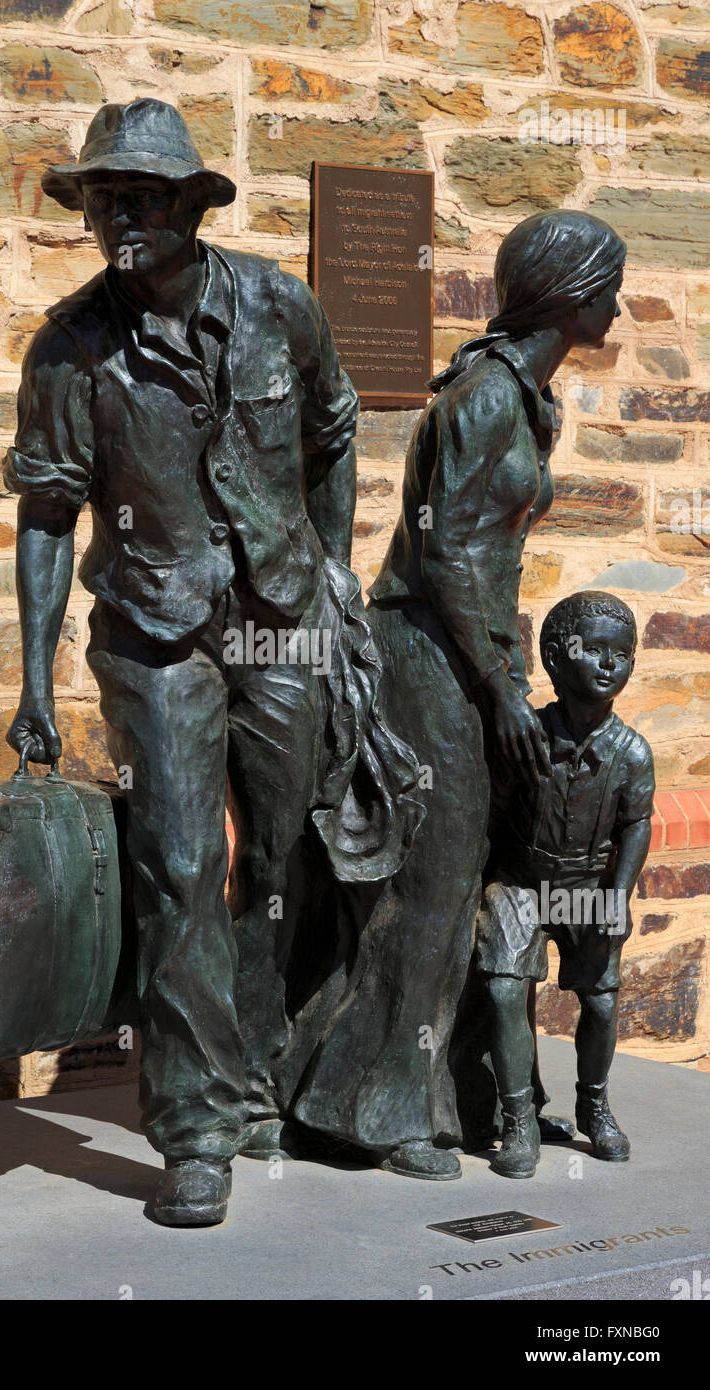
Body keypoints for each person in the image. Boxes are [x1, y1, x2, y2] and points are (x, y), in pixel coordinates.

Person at [2, 99, 419, 1227]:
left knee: (281, 860)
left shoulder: (280, 305)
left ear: (193, 204)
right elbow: (46, 515)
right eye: (101, 200)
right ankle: (193, 1130)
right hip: (154, 635)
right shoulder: (69, 348)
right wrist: (35, 679)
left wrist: (329, 576)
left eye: (139, 196)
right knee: (180, 861)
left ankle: (256, 1076)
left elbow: (333, 430)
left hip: (279, 619)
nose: (117, 218)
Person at [288, 210, 628, 1177]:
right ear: (570, 294)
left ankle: (438, 1089)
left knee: (459, 871)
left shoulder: (524, 396)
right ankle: (380, 1110)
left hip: (465, 649)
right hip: (431, 652)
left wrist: (505, 678)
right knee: (433, 883)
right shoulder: (485, 397)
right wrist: (504, 690)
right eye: (608, 283)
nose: (617, 302)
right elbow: (449, 557)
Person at [476, 592, 654, 1178]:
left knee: (601, 999)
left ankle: (594, 1104)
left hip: (587, 887)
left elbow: (636, 825)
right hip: (521, 883)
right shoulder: (526, 737)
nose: (610, 664)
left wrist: (618, 894)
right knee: (506, 988)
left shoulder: (631, 754)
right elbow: (491, 812)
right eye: (595, 650)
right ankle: (519, 1118)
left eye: (623, 654)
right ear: (555, 658)